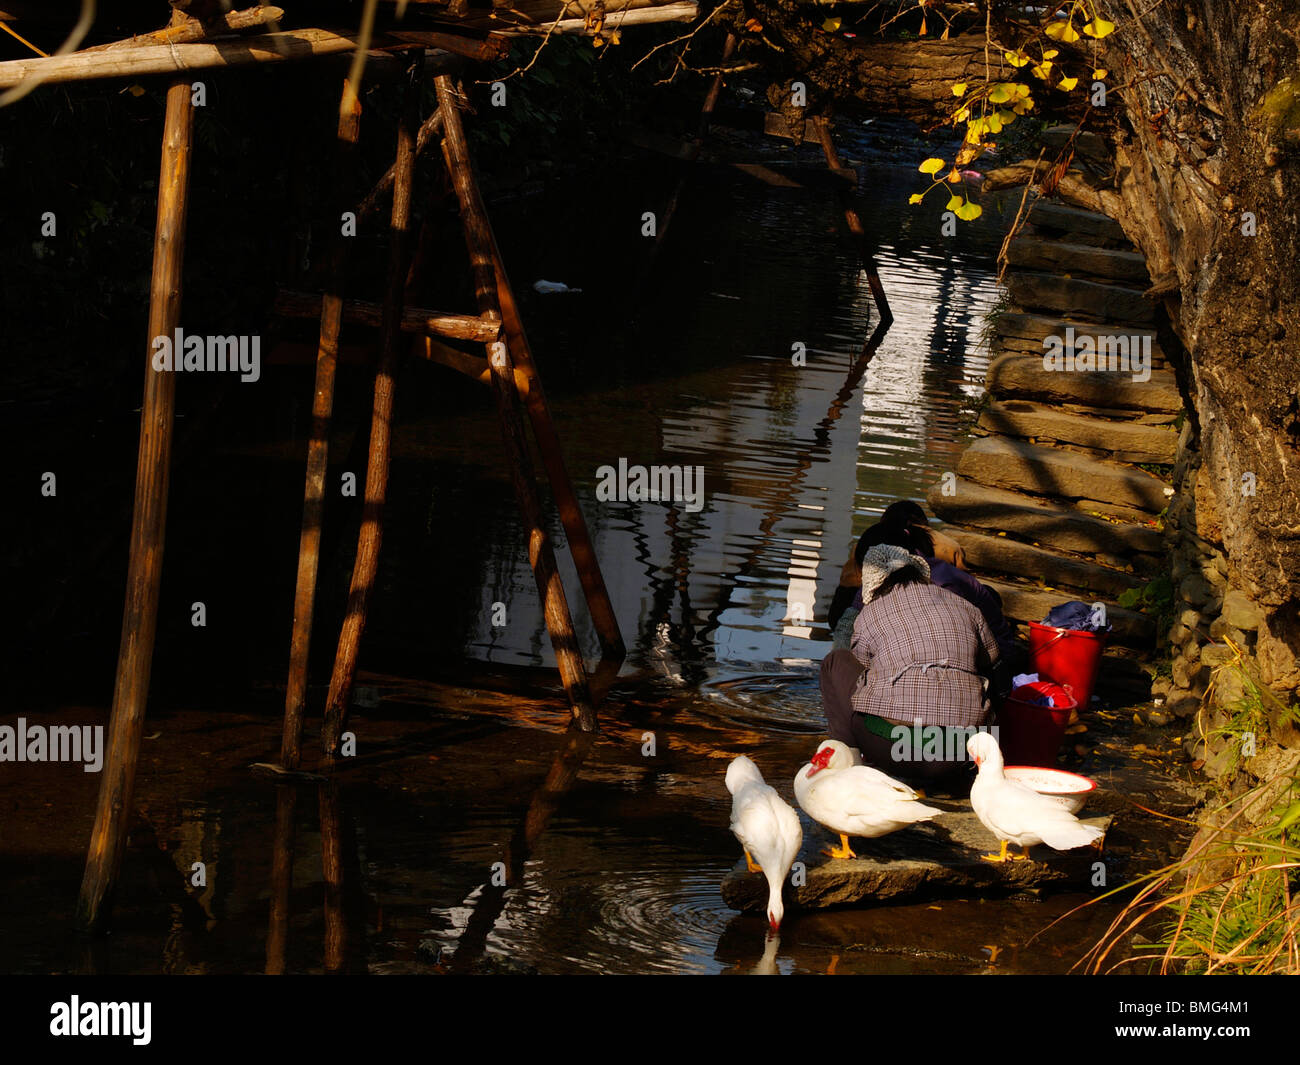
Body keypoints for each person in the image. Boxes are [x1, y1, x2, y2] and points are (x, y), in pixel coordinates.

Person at [820, 542, 1002, 783]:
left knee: (836, 662)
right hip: (960, 754)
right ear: (918, 574)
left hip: (891, 749)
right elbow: (994, 662)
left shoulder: (870, 614)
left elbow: (863, 668)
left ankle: (849, 760)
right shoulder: (965, 606)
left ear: (875, 584)